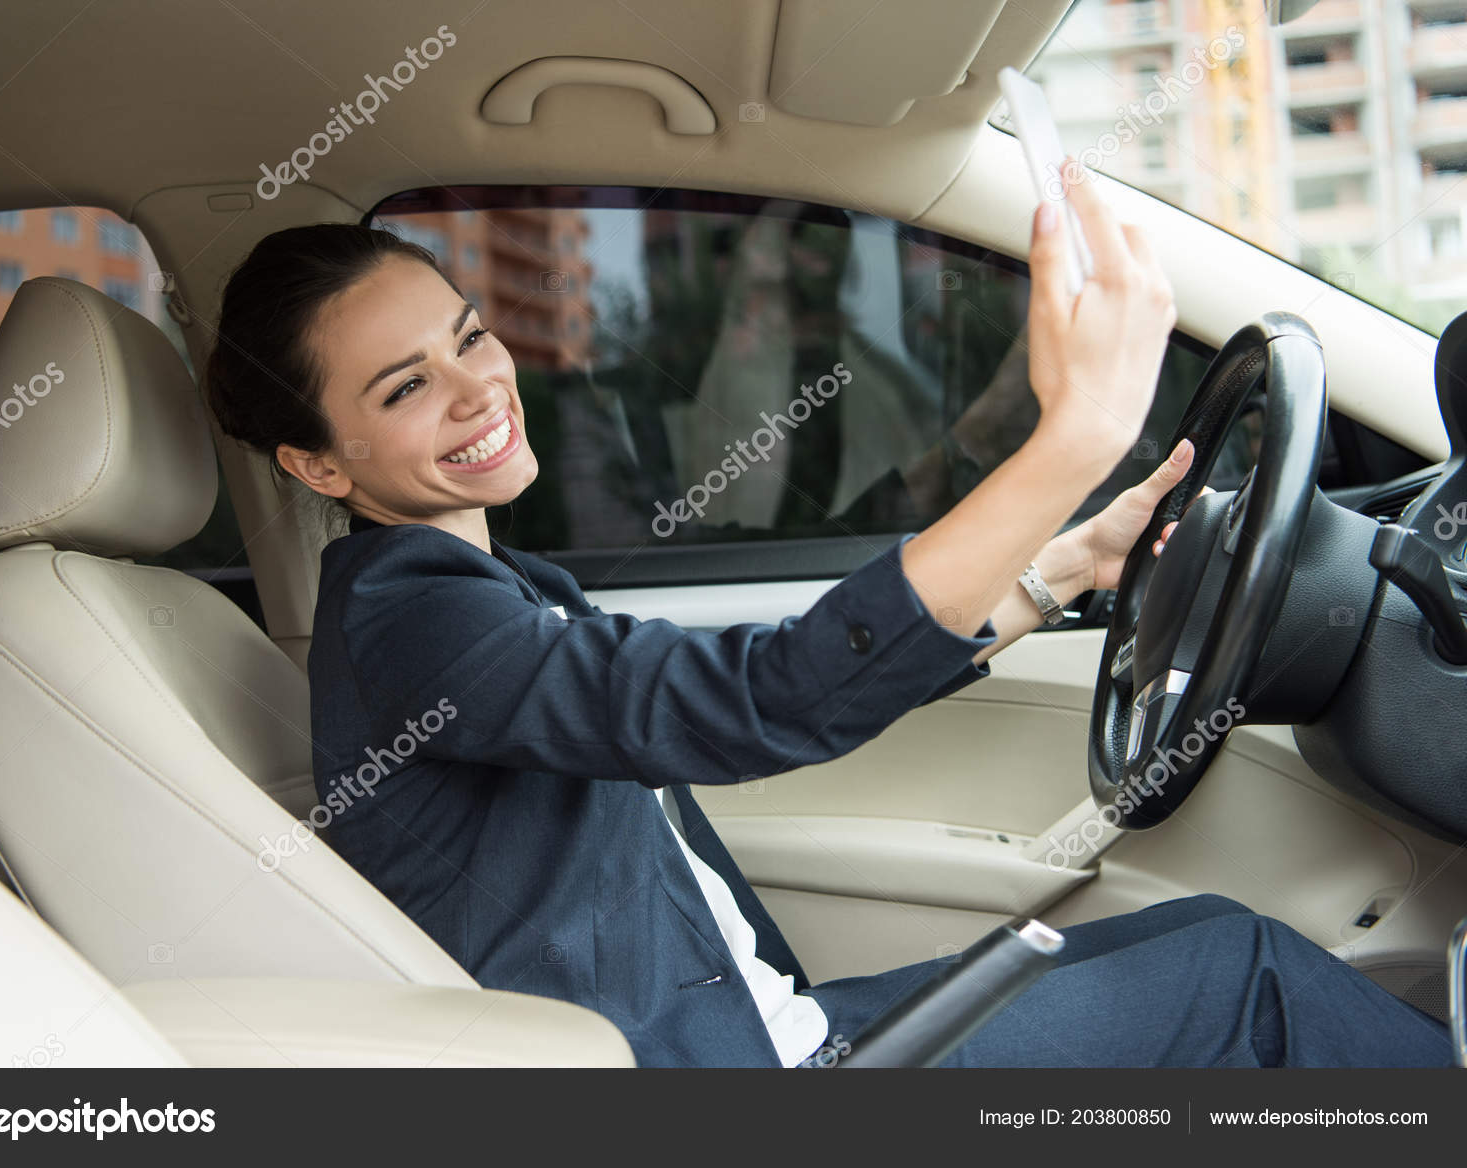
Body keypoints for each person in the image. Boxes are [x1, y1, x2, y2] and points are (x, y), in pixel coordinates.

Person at [202, 169, 1454, 1068]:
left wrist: (1065, 564)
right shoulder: (411, 623)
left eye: (469, 337)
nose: (479, 386)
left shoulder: (483, 595)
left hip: (771, 1037)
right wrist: (1069, 436)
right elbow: (758, 700)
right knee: (1253, 989)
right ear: (319, 466)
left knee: (1209, 935)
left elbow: (750, 682)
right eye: (407, 385)